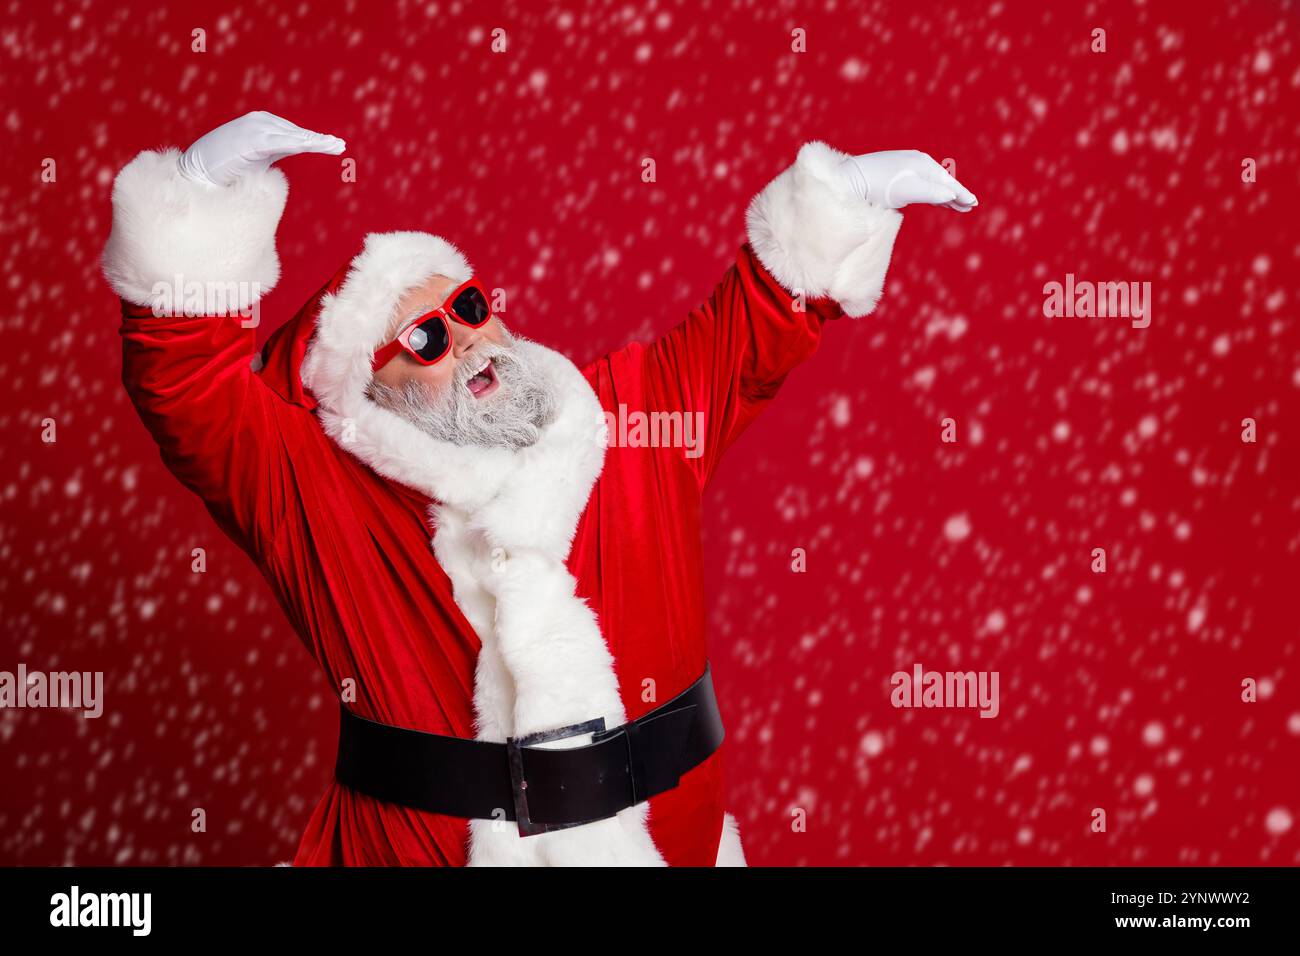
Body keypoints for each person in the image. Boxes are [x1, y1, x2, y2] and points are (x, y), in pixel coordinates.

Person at [101, 111, 977, 866]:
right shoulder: (315, 491)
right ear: (369, 394)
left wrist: (850, 193)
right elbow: (183, 389)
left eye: (471, 307)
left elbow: (753, 325)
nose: (468, 341)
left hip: (670, 838)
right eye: (426, 340)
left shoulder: (632, 415)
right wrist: (196, 189)